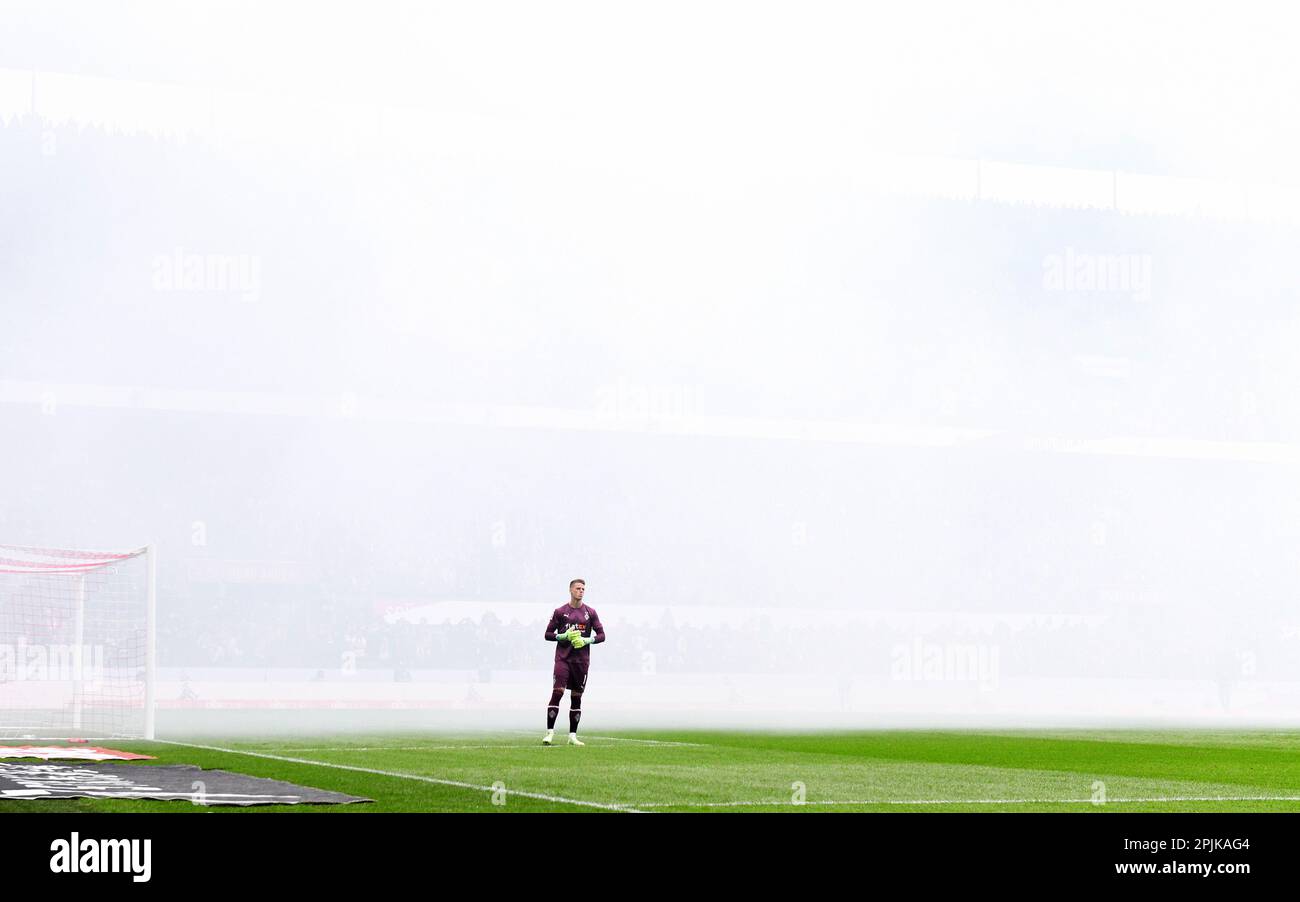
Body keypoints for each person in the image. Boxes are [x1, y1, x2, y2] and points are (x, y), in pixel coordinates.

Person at [542, 578, 605, 746]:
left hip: (581, 662)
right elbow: (547, 634)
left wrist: (588, 640)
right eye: (578, 588)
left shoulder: (590, 613)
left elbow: (602, 635)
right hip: (563, 659)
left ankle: (572, 736)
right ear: (570, 590)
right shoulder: (560, 611)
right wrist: (562, 636)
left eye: (583, 588)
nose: (581, 591)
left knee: (577, 697)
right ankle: (549, 733)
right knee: (558, 692)